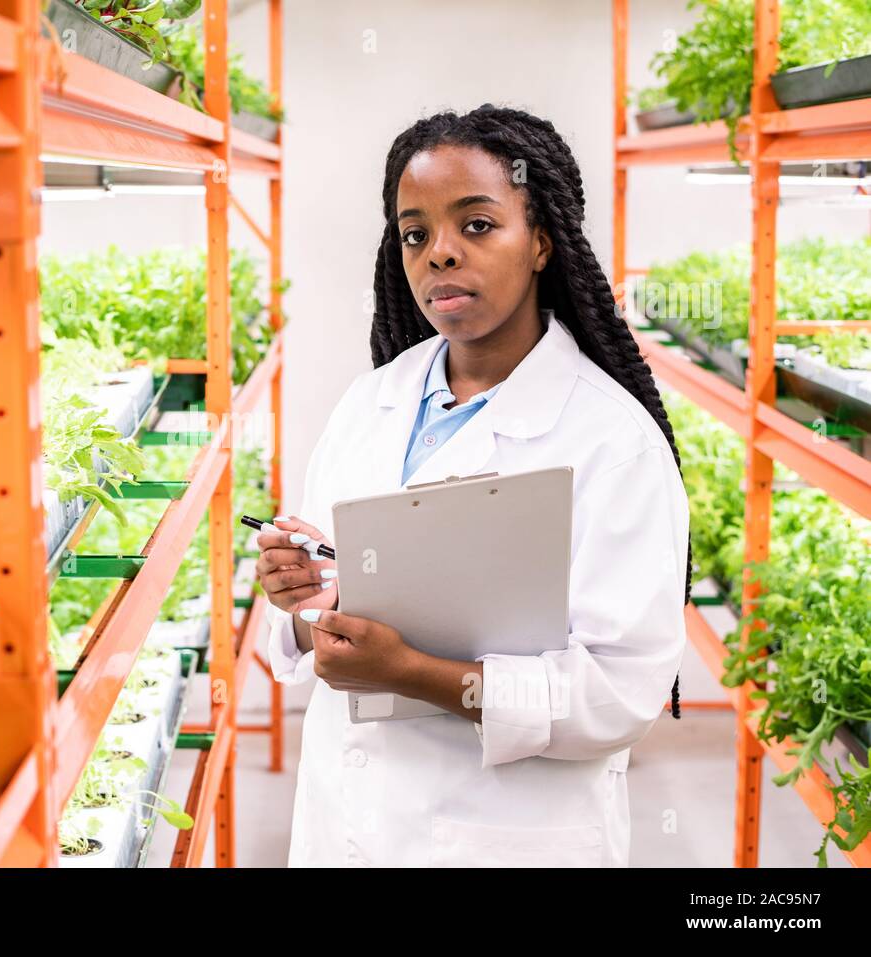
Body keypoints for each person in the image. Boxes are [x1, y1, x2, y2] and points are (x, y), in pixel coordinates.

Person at [257, 105, 690, 867]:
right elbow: (309, 616)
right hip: (345, 826)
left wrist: (418, 675)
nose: (439, 255)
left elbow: (621, 694)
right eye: (415, 233)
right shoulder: (373, 402)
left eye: (478, 225)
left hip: (506, 837)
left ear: (542, 242)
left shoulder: (613, 443)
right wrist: (299, 604)